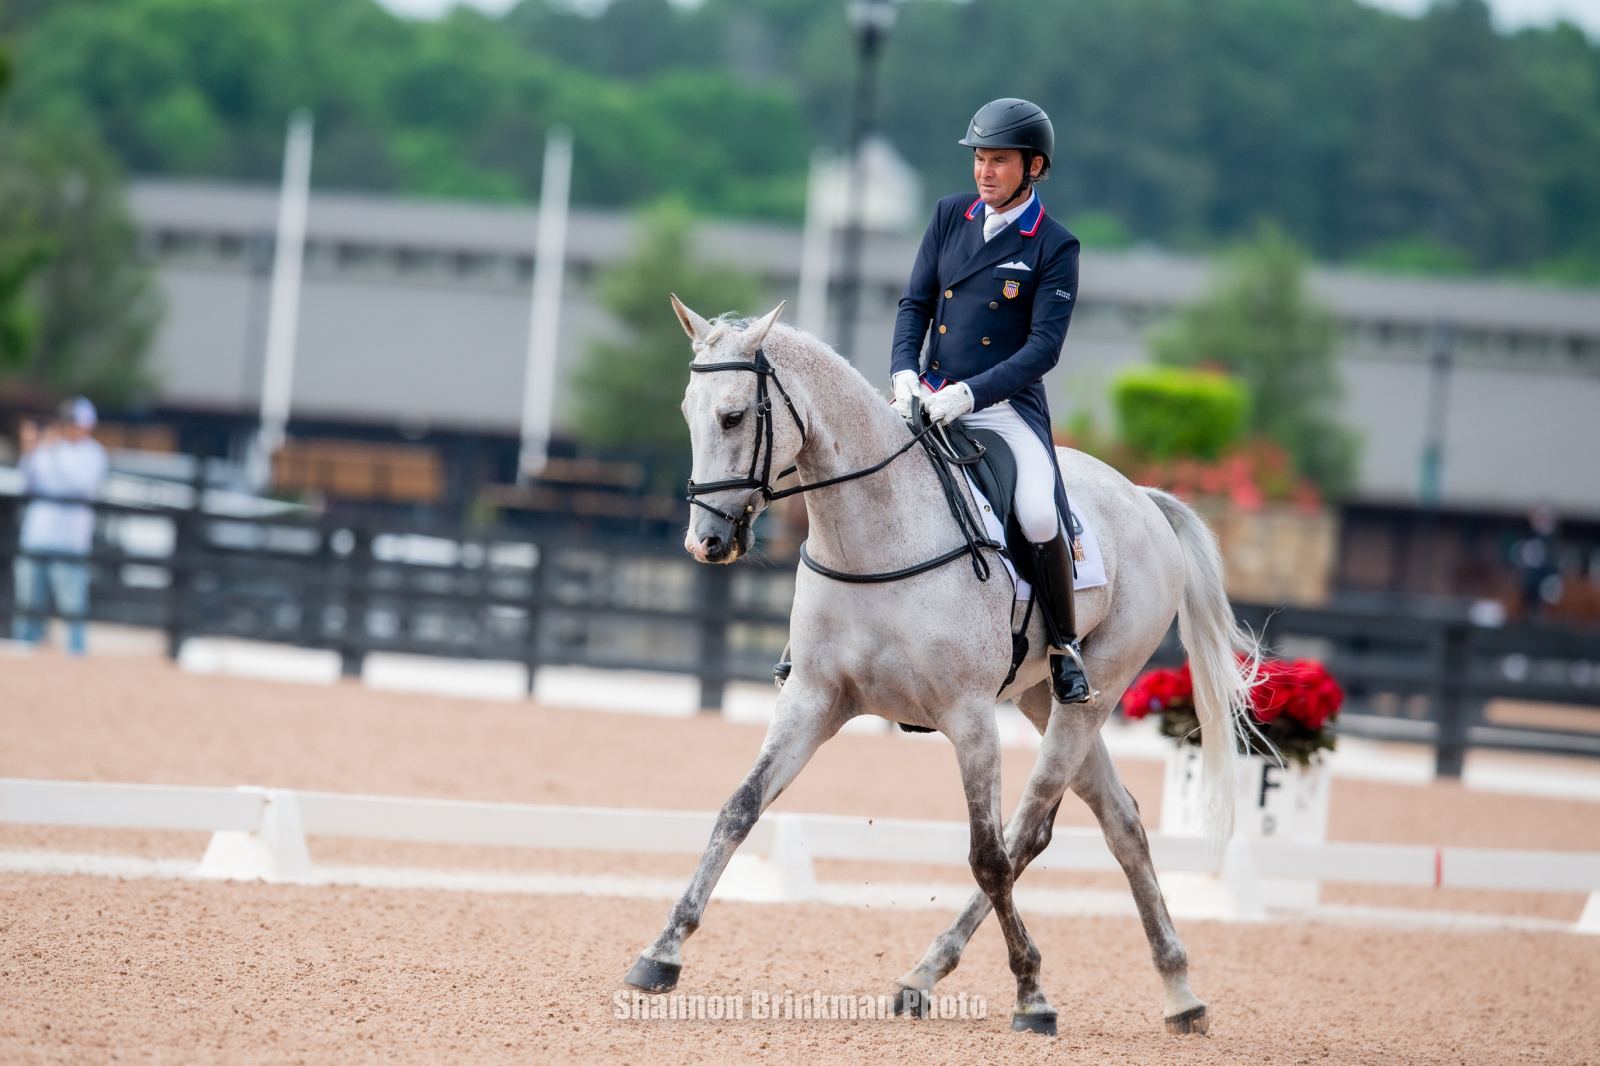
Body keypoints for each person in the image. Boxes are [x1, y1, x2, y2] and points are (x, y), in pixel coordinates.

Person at [890, 98, 1092, 703]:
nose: (984, 172)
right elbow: (915, 303)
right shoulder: (949, 215)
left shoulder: (1053, 245)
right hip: (929, 392)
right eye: (979, 159)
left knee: (1037, 514)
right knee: (855, 473)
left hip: (1002, 406)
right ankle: (811, 637)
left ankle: (1063, 646)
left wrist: (972, 393)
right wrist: (903, 371)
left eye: (999, 161)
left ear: (1034, 167)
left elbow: (1043, 349)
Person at [13, 397, 108, 655]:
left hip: (71, 538)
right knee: (28, 598)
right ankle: (27, 642)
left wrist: (53, 453)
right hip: (37, 534)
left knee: (72, 600)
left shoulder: (93, 453)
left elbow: (78, 487)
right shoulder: (46, 449)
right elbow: (26, 485)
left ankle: (76, 649)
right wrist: (29, 451)